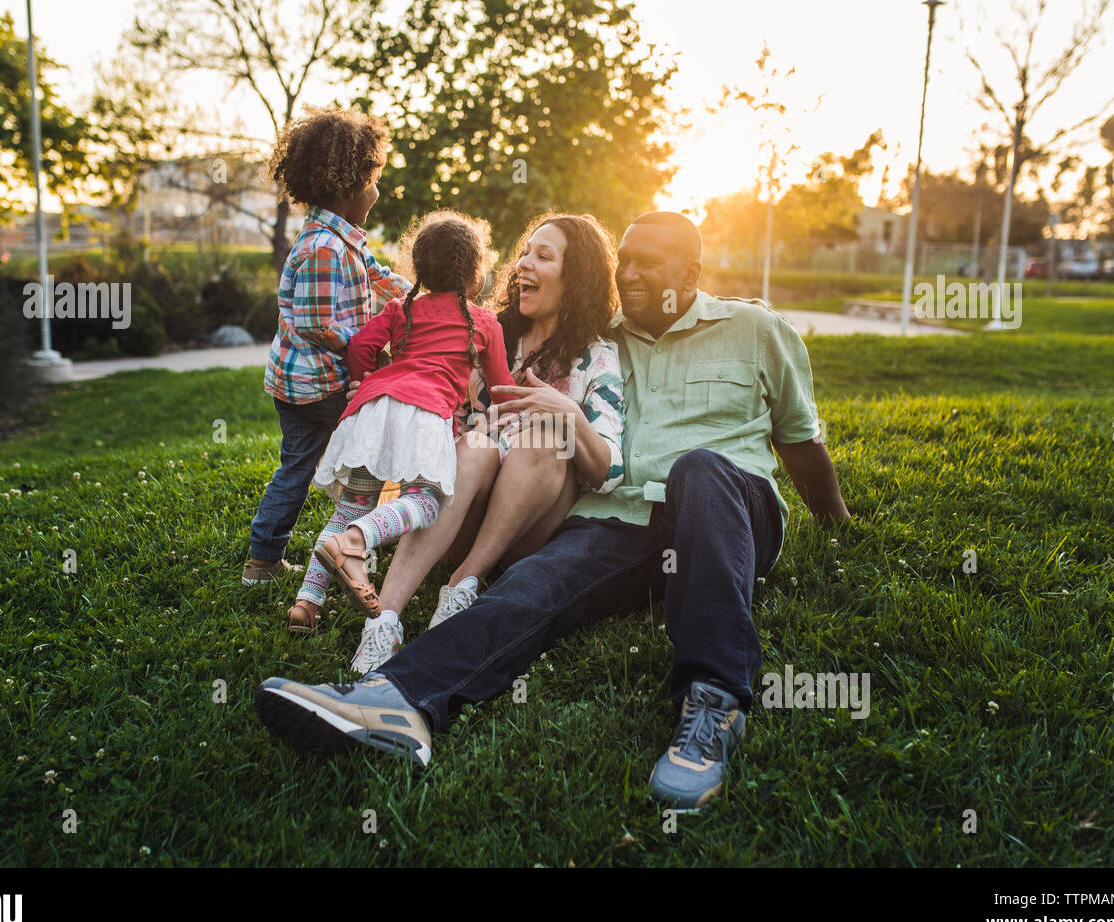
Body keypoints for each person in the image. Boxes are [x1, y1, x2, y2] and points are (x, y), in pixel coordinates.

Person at [254, 211, 851, 809]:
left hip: (724, 507)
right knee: (527, 586)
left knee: (697, 467)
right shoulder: (603, 336)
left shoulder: (755, 328)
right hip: (623, 516)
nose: (632, 273)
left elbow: (801, 440)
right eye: (625, 261)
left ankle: (713, 701)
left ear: (692, 271)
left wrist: (837, 525)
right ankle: (395, 700)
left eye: (649, 262)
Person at [354, 213, 627, 663]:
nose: (523, 265)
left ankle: (463, 586)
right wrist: (377, 386)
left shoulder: (597, 359)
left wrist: (570, 415)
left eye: (543, 256)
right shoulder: (483, 331)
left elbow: (608, 471)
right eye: (524, 253)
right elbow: (424, 395)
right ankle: (383, 620)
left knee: (545, 430)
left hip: (530, 526)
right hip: (457, 515)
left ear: (575, 277)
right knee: (477, 445)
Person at [294, 211, 519, 672]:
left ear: (418, 270)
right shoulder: (483, 322)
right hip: (425, 416)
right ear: (476, 274)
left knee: (350, 505)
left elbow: (359, 347)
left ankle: (306, 603)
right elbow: (500, 384)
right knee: (427, 503)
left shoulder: (401, 310)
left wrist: (368, 379)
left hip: (373, 409)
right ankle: (357, 541)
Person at [240, 108, 411, 589]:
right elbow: (316, 324)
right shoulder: (323, 249)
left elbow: (380, 276)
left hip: (306, 382)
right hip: (315, 386)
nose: (378, 192)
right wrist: (367, 345)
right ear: (348, 185)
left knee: (297, 465)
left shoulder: (342, 239)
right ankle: (356, 541)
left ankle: (264, 561)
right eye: (373, 180)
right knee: (377, 443)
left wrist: (423, 296)